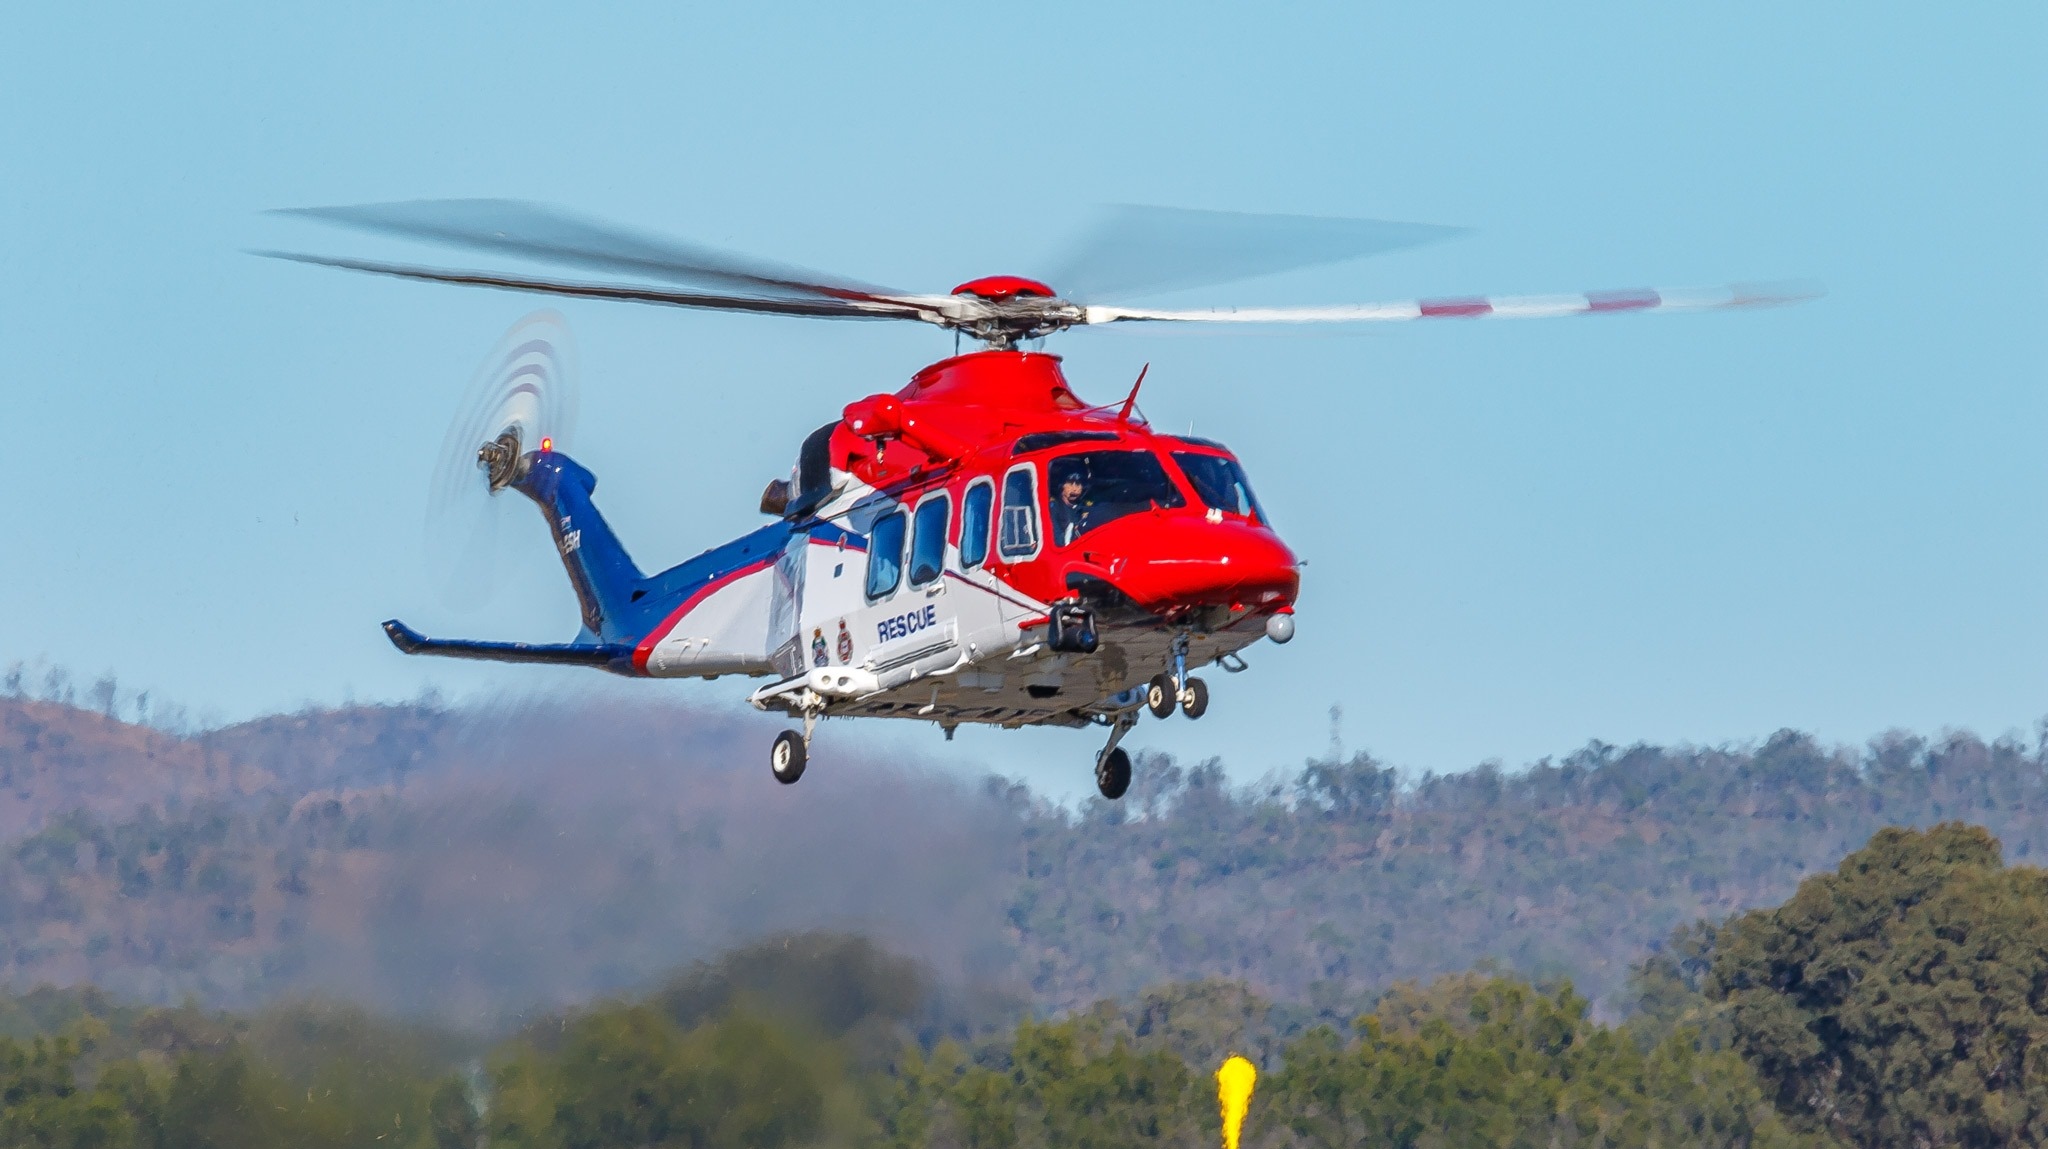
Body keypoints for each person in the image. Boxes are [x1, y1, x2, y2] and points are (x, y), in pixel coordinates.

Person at [1051, 467, 1088, 545]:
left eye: (1078, 484)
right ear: (1062, 485)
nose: (1074, 488)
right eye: (1070, 483)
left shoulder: (1085, 508)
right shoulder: (1054, 508)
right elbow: (1059, 541)